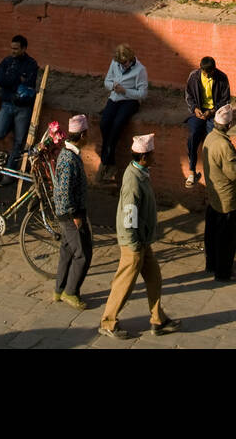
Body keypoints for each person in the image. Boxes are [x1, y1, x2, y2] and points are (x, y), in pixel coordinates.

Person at [99, 133, 181, 339]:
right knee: (124, 282)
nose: (154, 157)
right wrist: (134, 243)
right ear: (144, 157)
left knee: (154, 277)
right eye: (152, 154)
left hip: (142, 239)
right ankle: (108, 321)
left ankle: (158, 319)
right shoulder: (133, 181)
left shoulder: (140, 172)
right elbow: (129, 213)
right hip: (134, 242)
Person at [53, 114, 92, 310]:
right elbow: (65, 191)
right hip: (70, 213)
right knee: (82, 254)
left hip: (69, 211)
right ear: (82, 134)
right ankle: (71, 292)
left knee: (67, 250)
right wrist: (75, 216)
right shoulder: (69, 159)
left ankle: (59, 289)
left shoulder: (69, 154)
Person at [202, 104, 236, 282]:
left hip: (213, 194)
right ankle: (223, 272)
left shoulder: (210, 138)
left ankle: (211, 264)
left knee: (211, 233)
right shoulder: (225, 145)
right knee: (226, 238)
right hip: (226, 198)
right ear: (229, 125)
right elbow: (233, 173)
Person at [98, 44, 147, 182]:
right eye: (120, 63)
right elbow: (107, 81)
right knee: (104, 123)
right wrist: (113, 86)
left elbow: (142, 93)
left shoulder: (140, 70)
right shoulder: (114, 64)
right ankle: (111, 163)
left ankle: (104, 162)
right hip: (115, 97)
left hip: (130, 100)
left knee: (117, 125)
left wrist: (125, 91)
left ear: (131, 59)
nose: (123, 66)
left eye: (125, 63)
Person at [0, 35, 38, 169]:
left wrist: (11, 80)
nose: (13, 51)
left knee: (19, 141)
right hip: (7, 104)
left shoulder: (31, 64)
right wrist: (18, 79)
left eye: (16, 49)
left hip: (23, 107)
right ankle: (10, 125)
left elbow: (29, 83)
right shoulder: (6, 62)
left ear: (24, 49)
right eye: (12, 48)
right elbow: (1, 81)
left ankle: (10, 171)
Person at [184, 56, 230, 187]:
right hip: (198, 112)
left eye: (208, 73)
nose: (205, 75)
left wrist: (212, 111)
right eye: (203, 72)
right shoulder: (194, 76)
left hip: (214, 113)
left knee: (213, 140)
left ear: (213, 71)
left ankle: (213, 173)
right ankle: (192, 171)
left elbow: (225, 100)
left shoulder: (222, 78)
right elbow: (188, 96)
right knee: (193, 136)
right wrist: (195, 108)